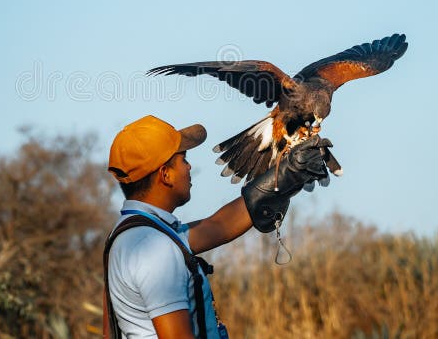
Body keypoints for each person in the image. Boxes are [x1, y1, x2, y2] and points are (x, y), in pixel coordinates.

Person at [103, 115, 335, 338]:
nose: (189, 166)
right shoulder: (155, 250)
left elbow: (218, 225)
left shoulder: (131, 236)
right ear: (165, 175)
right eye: (183, 159)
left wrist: (286, 176)